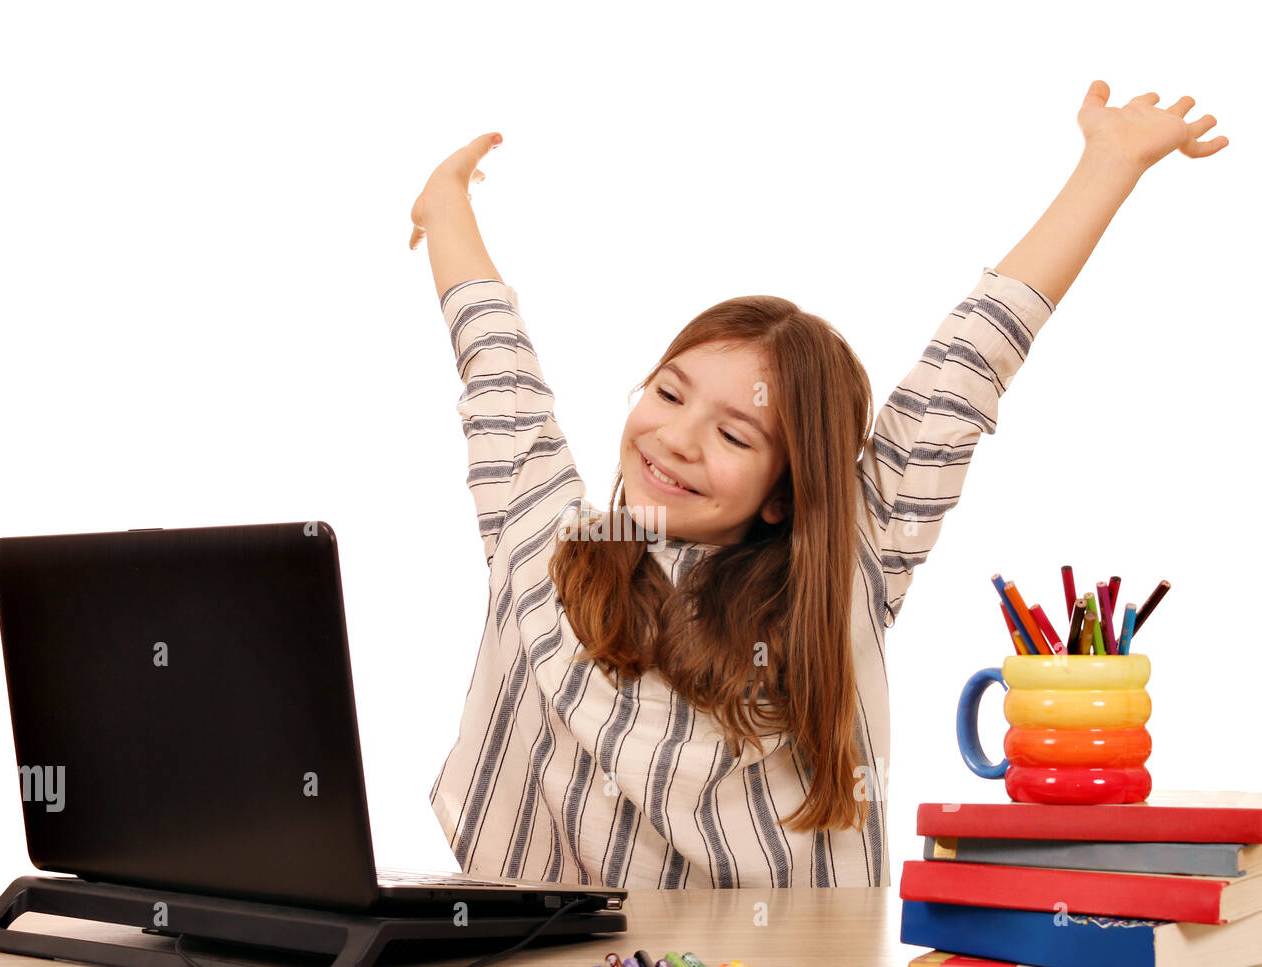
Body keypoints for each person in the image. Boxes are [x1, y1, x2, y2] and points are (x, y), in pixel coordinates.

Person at [408, 82, 1227, 889]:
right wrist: (447, 205)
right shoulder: (545, 541)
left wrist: (1109, 164)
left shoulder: (845, 572)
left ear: (783, 495)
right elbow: (497, 362)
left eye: (735, 433)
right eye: (667, 392)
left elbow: (969, 364)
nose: (676, 439)